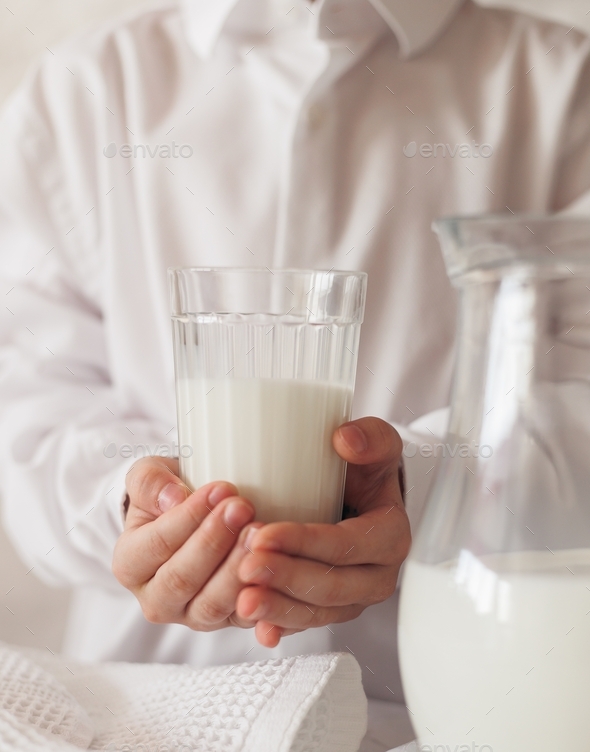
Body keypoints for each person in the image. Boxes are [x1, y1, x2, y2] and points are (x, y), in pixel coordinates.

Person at [0, 0, 589, 703]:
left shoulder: (563, 89)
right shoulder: (83, 90)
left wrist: (423, 488)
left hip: (445, 723)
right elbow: (29, 401)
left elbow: (574, 401)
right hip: (139, 722)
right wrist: (131, 500)